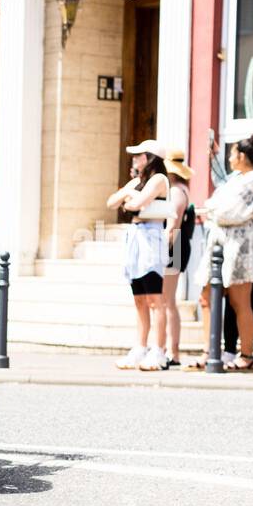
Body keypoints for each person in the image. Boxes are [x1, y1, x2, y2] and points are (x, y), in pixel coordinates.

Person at [195, 133, 253, 371]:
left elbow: (229, 211)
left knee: (240, 301)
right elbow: (216, 201)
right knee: (206, 297)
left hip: (242, 246)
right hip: (220, 243)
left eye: (232, 153)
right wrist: (214, 208)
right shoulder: (237, 178)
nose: (230, 157)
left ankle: (247, 354)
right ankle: (209, 350)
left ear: (242, 155)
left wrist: (212, 209)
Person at [107, 140, 170, 371]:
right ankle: (140, 347)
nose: (134, 160)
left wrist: (129, 196)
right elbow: (112, 202)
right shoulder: (139, 181)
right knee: (139, 299)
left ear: (149, 158)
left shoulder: (159, 179)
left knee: (155, 299)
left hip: (152, 237)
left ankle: (159, 350)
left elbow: (136, 204)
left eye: (138, 156)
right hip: (136, 237)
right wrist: (129, 191)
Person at [161, 149, 195, 368]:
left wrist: (161, 252)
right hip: (178, 245)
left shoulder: (176, 192)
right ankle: (169, 349)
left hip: (174, 246)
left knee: (167, 301)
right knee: (167, 301)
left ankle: (172, 351)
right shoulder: (181, 190)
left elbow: (172, 226)